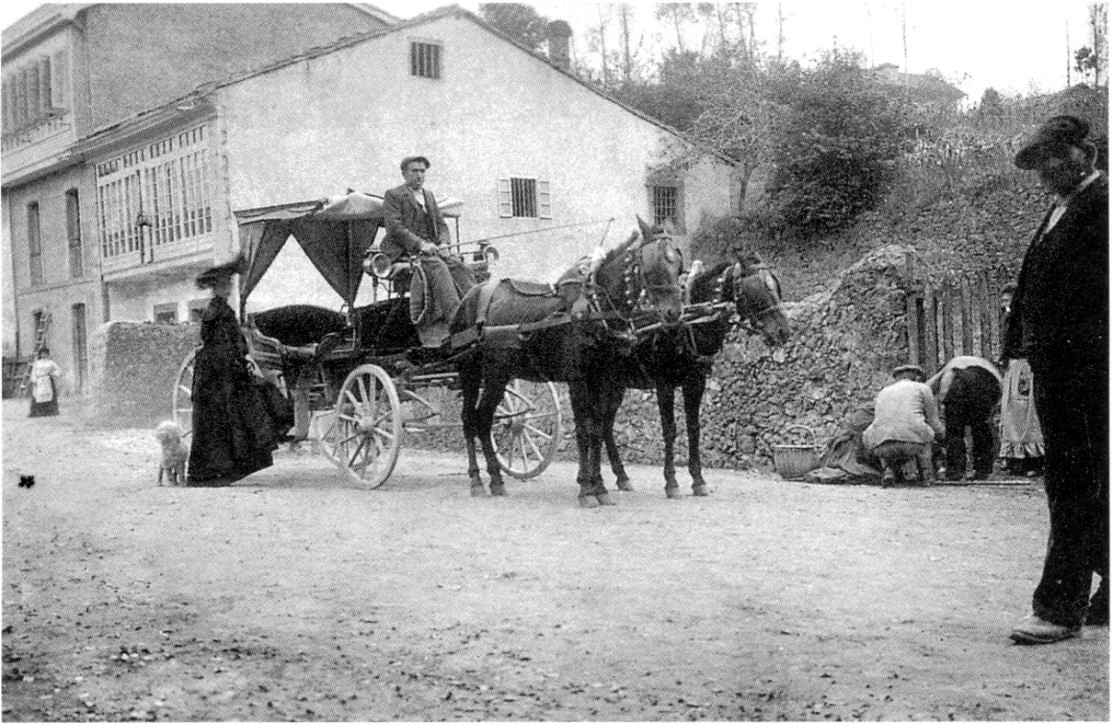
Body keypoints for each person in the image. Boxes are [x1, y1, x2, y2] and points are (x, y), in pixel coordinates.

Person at [1005, 115, 1108, 645]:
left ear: (1085, 154)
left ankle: (1058, 606)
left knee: (1073, 482)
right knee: (1090, 479)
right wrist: (1019, 343)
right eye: (1037, 163)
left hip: (1090, 370)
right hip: (1059, 368)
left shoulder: (1103, 207)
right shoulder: (1061, 209)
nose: (1043, 172)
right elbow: (1035, 283)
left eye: (1052, 159)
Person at [186, 255, 287, 487]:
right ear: (217, 287)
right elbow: (222, 345)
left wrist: (239, 360)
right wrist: (237, 364)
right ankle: (213, 473)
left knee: (244, 407)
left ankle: (224, 470)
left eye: (229, 284)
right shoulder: (217, 311)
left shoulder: (220, 309)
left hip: (223, 370)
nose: (229, 289)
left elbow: (233, 343)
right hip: (217, 375)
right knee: (231, 415)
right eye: (226, 285)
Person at [382, 156, 476, 348]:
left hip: (430, 252)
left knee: (461, 268)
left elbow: (441, 225)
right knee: (438, 267)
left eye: (422, 171)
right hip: (404, 253)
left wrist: (442, 242)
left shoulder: (429, 196)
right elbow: (395, 228)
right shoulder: (393, 195)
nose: (419, 175)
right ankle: (455, 321)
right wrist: (420, 244)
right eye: (414, 171)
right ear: (404, 174)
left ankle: (475, 312)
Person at [862, 364, 945, 487]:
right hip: (912, 446)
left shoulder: (884, 391)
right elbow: (934, 422)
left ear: (896, 378)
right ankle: (926, 474)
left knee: (877, 430)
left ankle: (888, 470)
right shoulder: (923, 388)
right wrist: (942, 436)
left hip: (881, 447)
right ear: (917, 377)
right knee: (927, 431)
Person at [926, 355, 1002, 481]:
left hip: (957, 390)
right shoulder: (988, 366)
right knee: (981, 429)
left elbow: (929, 388)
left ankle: (955, 471)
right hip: (985, 387)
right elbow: (999, 388)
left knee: (954, 431)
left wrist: (945, 403)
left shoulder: (951, 367)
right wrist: (991, 409)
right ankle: (983, 470)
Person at [996, 283, 1044, 477]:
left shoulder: (1026, 319)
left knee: (1027, 413)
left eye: (1007, 300)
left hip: (1025, 367)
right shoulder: (1009, 319)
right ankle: (1016, 459)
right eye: (1002, 301)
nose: (1003, 305)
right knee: (1012, 413)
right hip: (1015, 367)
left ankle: (1034, 460)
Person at [27, 347, 61, 417]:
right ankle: (38, 412)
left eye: (45, 353)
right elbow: (33, 372)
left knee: (49, 395)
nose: (43, 355)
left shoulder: (50, 362)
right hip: (39, 380)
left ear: (47, 354)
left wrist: (53, 374)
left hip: (47, 380)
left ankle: (50, 412)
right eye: (42, 354)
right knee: (38, 396)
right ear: (40, 354)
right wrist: (34, 380)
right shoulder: (37, 363)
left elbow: (58, 369)